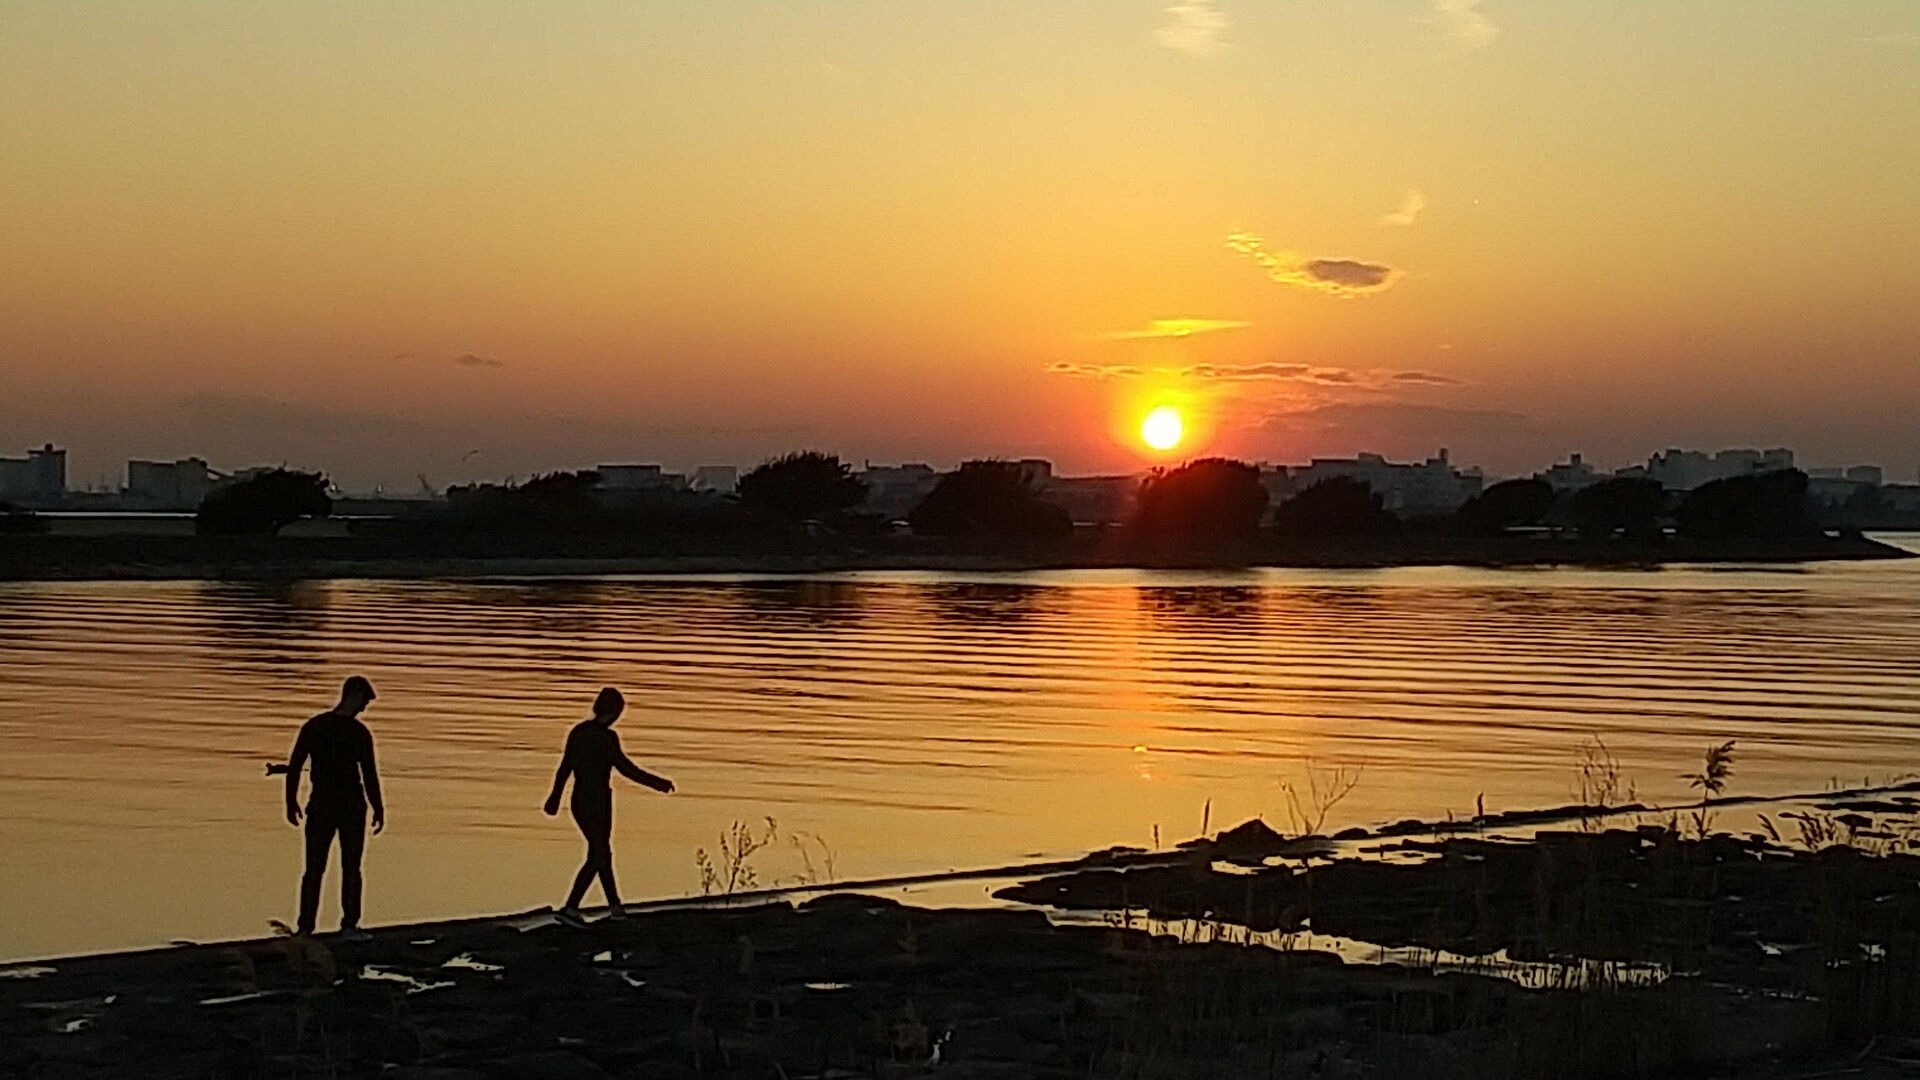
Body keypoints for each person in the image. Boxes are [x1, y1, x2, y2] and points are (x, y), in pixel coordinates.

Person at [544, 687, 674, 927]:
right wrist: (657, 782)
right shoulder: (606, 738)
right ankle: (572, 907)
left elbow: (565, 768)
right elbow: (625, 768)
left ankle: (614, 907)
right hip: (598, 802)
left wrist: (555, 798)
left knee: (601, 853)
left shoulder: (578, 732)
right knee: (599, 854)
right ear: (613, 712)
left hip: (580, 801)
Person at [285, 675, 385, 939]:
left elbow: (295, 766)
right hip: (344, 806)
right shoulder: (355, 732)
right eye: (364, 701)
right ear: (353, 695)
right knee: (345, 868)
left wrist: (291, 801)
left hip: (327, 806)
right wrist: (378, 807)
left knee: (318, 868)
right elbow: (369, 774)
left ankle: (308, 928)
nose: (364, 708)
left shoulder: (315, 726)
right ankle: (345, 926)